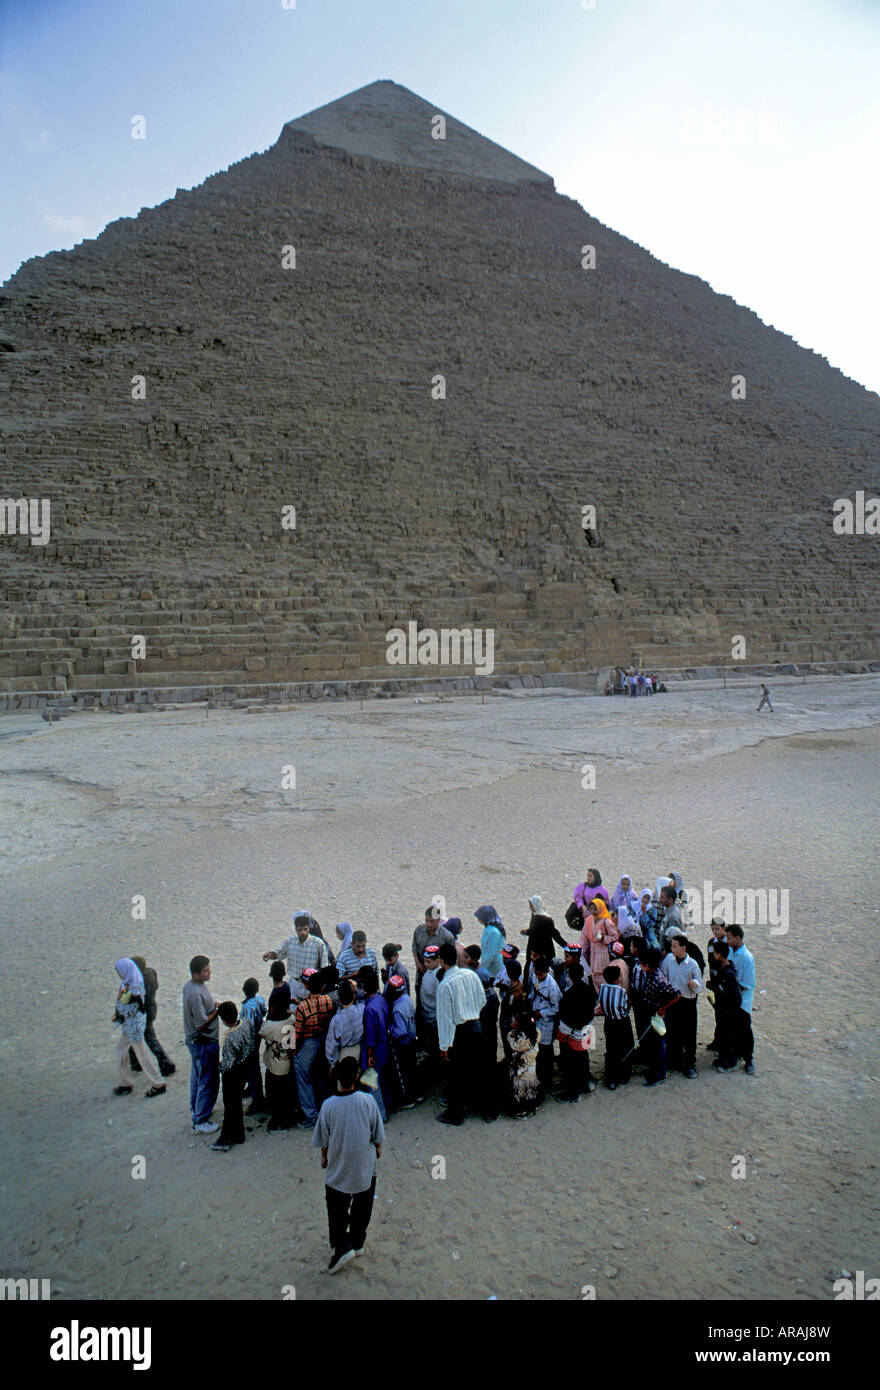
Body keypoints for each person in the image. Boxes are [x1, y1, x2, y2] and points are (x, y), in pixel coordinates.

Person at [313, 1056, 384, 1274]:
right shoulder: (367, 1101)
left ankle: (341, 1244)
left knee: (336, 1208)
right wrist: (377, 1150)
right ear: (356, 1077)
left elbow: (323, 1138)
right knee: (363, 1207)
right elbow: (377, 1134)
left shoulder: (328, 1105)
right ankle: (358, 1241)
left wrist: (324, 1157)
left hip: (339, 1167)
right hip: (364, 1166)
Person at [436, 941, 489, 1125]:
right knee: (479, 1070)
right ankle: (486, 1110)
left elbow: (445, 1020)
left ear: (442, 961)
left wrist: (444, 1047)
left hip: (460, 1032)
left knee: (456, 1076)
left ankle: (455, 1114)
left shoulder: (445, 985)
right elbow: (483, 1001)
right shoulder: (470, 975)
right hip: (476, 1026)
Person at [112, 958, 166, 1098]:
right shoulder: (131, 982)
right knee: (122, 1052)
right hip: (129, 1026)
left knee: (142, 1056)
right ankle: (126, 1082)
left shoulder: (131, 987)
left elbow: (127, 1007)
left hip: (133, 1027)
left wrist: (118, 1011)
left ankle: (158, 1083)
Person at [630, 947, 680, 1087]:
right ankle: (653, 1068)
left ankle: (659, 1075)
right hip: (648, 1010)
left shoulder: (658, 979)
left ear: (647, 965)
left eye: (640, 963)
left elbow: (677, 994)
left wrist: (663, 1008)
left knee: (657, 1044)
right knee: (652, 1043)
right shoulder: (651, 974)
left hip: (656, 1014)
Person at [211, 1002, 255, 1152]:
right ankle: (239, 1134)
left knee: (231, 1104)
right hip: (245, 1065)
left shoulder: (229, 1038)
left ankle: (227, 1137)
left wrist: (218, 1067)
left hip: (233, 1072)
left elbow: (228, 1063)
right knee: (235, 1102)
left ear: (223, 1021)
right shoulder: (246, 1023)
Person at [183, 954, 220, 1133]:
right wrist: (216, 1011)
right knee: (207, 1079)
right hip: (202, 1041)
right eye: (205, 971)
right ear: (196, 974)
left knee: (197, 1076)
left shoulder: (192, 986)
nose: (209, 973)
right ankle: (200, 1120)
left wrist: (213, 1005)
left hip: (195, 1042)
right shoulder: (195, 993)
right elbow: (201, 1023)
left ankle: (196, 1108)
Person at [293, 969, 335, 1126]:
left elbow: (296, 1034)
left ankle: (311, 1115)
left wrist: (292, 1050)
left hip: (309, 1042)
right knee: (322, 1075)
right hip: (325, 1040)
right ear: (322, 987)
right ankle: (326, 1108)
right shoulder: (328, 1000)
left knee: (302, 1073)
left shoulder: (302, 1007)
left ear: (308, 986)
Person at [263, 912, 329, 1003]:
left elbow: (324, 967)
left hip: (311, 986)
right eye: (300, 930)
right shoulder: (290, 942)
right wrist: (271, 955)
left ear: (309, 928)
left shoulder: (319, 944)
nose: (303, 933)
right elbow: (280, 953)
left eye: (305, 929)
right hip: (294, 984)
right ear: (296, 929)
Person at [661, 935, 702, 1077]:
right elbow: (664, 977)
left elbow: (699, 984)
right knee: (672, 1032)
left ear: (683, 948)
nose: (672, 949)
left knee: (689, 1034)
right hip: (672, 1001)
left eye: (675, 946)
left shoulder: (693, 965)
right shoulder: (668, 961)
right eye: (671, 946)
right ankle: (675, 1060)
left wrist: (694, 985)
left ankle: (690, 1064)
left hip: (687, 1002)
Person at [128, 955, 175, 1078]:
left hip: (141, 1013)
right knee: (139, 1037)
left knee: (147, 1038)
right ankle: (136, 1063)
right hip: (151, 1009)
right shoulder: (152, 974)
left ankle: (165, 1063)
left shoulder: (138, 982)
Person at [555, 961, 596, 1102]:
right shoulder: (588, 989)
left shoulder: (569, 994)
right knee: (583, 1057)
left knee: (571, 1063)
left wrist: (563, 1033)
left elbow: (566, 1016)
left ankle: (573, 1093)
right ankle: (586, 1083)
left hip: (573, 1032)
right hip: (587, 1028)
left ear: (570, 977)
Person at [361, 966, 394, 1122]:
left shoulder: (369, 1009)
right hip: (384, 1045)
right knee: (383, 1078)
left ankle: (380, 1114)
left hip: (374, 1049)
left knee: (372, 1082)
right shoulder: (381, 1000)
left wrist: (369, 1055)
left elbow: (370, 1036)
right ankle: (389, 1103)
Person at [261, 994, 296, 1133]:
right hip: (288, 1062)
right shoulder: (292, 1019)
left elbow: (262, 1033)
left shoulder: (269, 1026)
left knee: (274, 1096)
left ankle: (277, 1122)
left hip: (275, 1066)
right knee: (286, 1094)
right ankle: (287, 1119)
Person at [596, 964, 634, 1089]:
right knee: (625, 1046)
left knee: (611, 1048)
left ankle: (611, 1078)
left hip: (609, 1021)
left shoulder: (602, 988)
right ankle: (624, 1074)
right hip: (621, 1022)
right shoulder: (621, 991)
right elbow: (624, 1008)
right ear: (617, 979)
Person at [528, 956, 562, 1091]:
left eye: (540, 974)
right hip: (536, 1018)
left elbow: (555, 1008)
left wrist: (540, 1013)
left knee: (546, 1050)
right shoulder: (535, 977)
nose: (538, 976)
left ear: (547, 971)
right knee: (537, 1047)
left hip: (547, 1022)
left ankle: (547, 1078)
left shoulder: (553, 988)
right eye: (536, 973)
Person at [726, 925, 757, 1074]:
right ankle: (734, 1055)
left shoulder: (746, 958)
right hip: (731, 1000)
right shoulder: (731, 952)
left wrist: (733, 989)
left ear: (738, 938)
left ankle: (749, 1059)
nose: (727, 940)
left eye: (729, 938)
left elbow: (748, 983)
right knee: (732, 1029)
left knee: (744, 1030)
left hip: (742, 1001)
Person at [709, 942, 743, 1072]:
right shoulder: (725, 968)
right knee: (722, 1035)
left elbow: (731, 993)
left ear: (720, 954)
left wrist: (715, 988)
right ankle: (723, 1059)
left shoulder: (728, 973)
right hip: (723, 1008)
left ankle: (730, 1062)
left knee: (726, 1037)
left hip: (727, 1010)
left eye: (715, 952)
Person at [387, 975, 418, 1107]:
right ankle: (419, 1094)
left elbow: (400, 1031)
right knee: (413, 1069)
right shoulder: (407, 999)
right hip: (412, 1039)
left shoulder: (397, 1010)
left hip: (403, 1044)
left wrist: (390, 1029)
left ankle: (409, 1100)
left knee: (405, 1073)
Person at [505, 1006, 542, 1117]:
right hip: (531, 1069)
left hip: (521, 1071)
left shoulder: (519, 1042)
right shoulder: (535, 1034)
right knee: (531, 1089)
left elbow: (511, 1040)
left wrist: (513, 1029)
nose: (513, 1022)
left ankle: (521, 1111)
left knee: (520, 1091)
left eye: (516, 1021)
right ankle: (533, 1105)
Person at [325, 979, 365, 1081]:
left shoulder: (336, 1020)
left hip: (344, 1053)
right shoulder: (361, 1009)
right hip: (359, 1049)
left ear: (339, 999)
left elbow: (331, 1046)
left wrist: (333, 1064)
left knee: (345, 1083)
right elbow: (364, 997)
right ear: (354, 996)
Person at [412, 906, 455, 999]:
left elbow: (452, 959)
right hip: (421, 973)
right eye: (426, 920)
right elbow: (415, 948)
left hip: (438, 977)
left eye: (432, 921)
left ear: (438, 920)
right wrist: (418, 963)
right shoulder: (419, 931)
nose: (428, 924)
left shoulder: (446, 937)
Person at [580, 897, 619, 995]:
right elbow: (584, 936)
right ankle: (600, 995)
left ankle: (605, 995)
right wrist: (581, 949)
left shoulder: (607, 922)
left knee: (602, 974)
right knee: (594, 974)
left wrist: (603, 939)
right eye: (591, 909)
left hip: (603, 951)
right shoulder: (589, 920)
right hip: (593, 951)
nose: (593, 911)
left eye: (595, 909)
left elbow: (615, 936)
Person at [240, 977, 267, 1114]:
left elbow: (248, 1027)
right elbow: (264, 1011)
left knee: (252, 1068)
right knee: (253, 1066)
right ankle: (252, 1089)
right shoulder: (260, 999)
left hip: (250, 1039)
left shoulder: (247, 1007)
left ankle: (257, 1100)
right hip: (257, 1035)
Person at [474, 905, 506, 980]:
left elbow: (491, 953)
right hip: (489, 965)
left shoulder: (493, 932)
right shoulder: (488, 928)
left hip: (494, 967)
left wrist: (481, 968)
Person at [657, 885, 685, 950]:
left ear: (670, 900)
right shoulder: (671, 910)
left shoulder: (672, 916)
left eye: (662, 897)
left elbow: (672, 939)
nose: (660, 899)